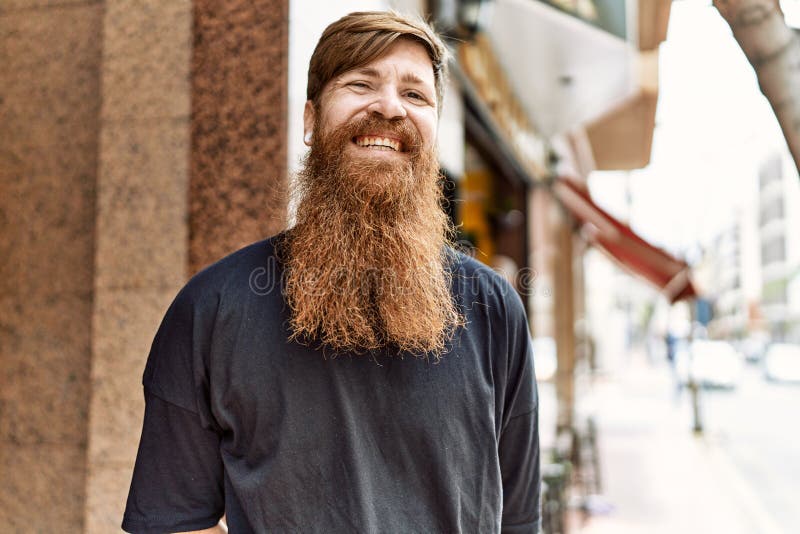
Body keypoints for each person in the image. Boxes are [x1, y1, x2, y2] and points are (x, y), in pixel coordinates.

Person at [122, 11, 540, 534]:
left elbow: (519, 519)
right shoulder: (210, 309)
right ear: (310, 121)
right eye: (361, 83)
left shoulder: (495, 308)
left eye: (415, 95)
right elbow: (174, 521)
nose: (389, 106)